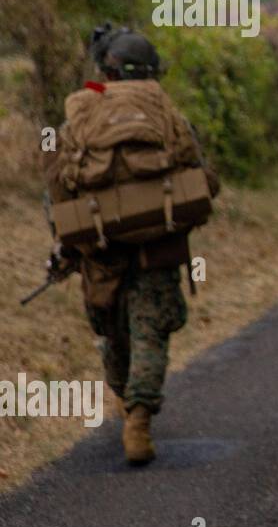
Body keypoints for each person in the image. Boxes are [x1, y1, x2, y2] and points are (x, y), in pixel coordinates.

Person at [42, 25, 220, 465]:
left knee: (112, 334)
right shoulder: (166, 112)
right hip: (157, 245)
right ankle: (138, 421)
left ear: (106, 68)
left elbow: (59, 186)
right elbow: (201, 177)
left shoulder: (81, 113)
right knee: (151, 334)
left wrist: (67, 245)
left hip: (101, 249)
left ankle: (125, 400)